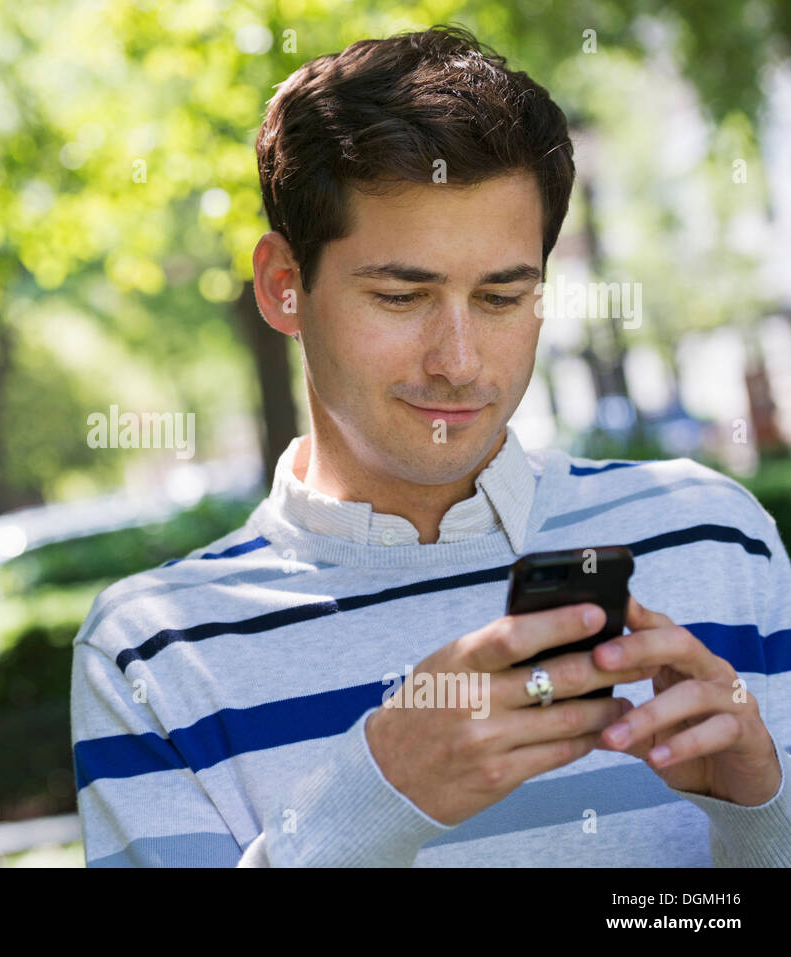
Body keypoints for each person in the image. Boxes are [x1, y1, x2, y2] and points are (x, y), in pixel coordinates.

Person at [69, 24, 791, 866]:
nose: (457, 362)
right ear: (282, 287)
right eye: (402, 296)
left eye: (499, 298)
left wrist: (761, 816)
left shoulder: (717, 540)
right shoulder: (151, 652)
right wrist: (372, 798)